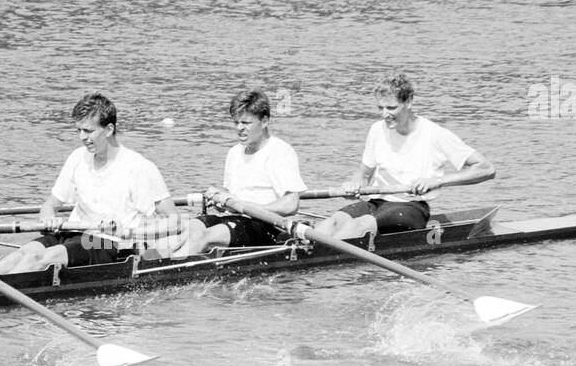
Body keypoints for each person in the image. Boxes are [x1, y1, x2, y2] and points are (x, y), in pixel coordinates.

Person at [0, 94, 180, 274]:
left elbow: (174, 222)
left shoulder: (139, 167)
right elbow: (50, 205)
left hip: (109, 243)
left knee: (44, 258)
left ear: (109, 130)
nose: (81, 137)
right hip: (71, 234)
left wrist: (127, 230)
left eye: (88, 131)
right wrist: (49, 219)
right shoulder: (77, 158)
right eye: (78, 130)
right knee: (24, 253)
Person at [314, 74, 494, 242]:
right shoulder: (377, 130)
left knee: (359, 225)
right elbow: (364, 173)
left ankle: (321, 261)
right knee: (334, 222)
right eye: (380, 108)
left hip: (412, 208)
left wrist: (438, 180)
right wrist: (354, 185)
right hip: (376, 202)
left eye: (391, 108)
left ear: (409, 101)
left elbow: (486, 169)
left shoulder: (435, 134)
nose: (385, 114)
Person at [169, 90, 307, 257]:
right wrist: (221, 200)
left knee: (203, 238)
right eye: (236, 123)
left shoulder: (280, 152)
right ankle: (151, 265)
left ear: (264, 121)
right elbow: (233, 197)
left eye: (246, 123)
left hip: (266, 226)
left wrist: (246, 206)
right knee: (186, 230)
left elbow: (290, 205)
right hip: (235, 219)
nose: (239, 128)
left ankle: (161, 275)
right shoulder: (234, 152)